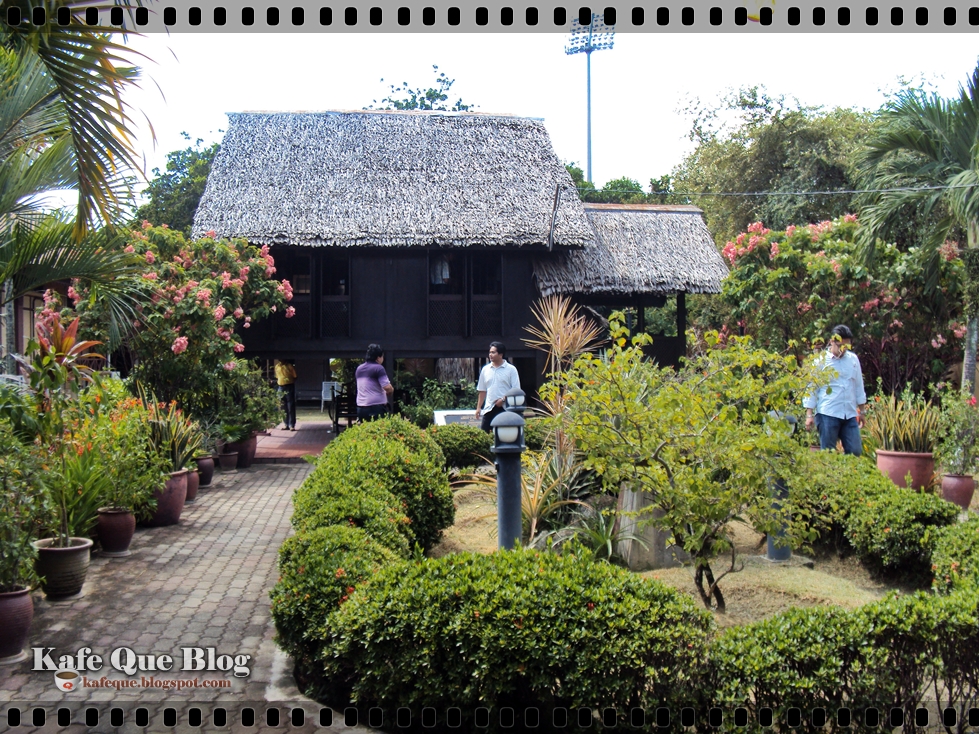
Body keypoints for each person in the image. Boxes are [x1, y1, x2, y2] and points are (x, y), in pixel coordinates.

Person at [803, 324, 868, 456]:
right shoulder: (820, 360)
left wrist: (862, 411)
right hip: (828, 413)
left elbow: (858, 386)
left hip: (849, 414)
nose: (843, 349)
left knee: (855, 451)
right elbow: (812, 387)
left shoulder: (853, 360)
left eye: (847, 346)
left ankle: (847, 475)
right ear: (832, 342)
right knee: (828, 454)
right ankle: (829, 477)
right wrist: (809, 414)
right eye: (840, 345)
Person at [475, 341, 521, 433]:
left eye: (493, 352)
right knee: (484, 434)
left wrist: (503, 399)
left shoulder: (511, 369)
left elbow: (516, 389)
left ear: (500, 354)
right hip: (489, 408)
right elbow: (482, 390)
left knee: (504, 435)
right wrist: (479, 407)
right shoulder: (485, 369)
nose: (490, 355)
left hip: (505, 408)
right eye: (490, 352)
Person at [355, 344, 393, 421]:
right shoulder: (378, 368)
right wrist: (391, 391)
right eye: (382, 356)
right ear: (378, 357)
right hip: (376, 408)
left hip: (361, 408)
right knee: (380, 431)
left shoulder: (359, 369)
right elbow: (387, 388)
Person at [274, 359, 297, 431]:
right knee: (282, 406)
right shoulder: (277, 366)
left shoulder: (289, 366)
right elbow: (277, 377)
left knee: (290, 406)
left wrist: (290, 382)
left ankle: (291, 425)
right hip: (281, 387)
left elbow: (295, 376)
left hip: (289, 386)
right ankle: (286, 424)